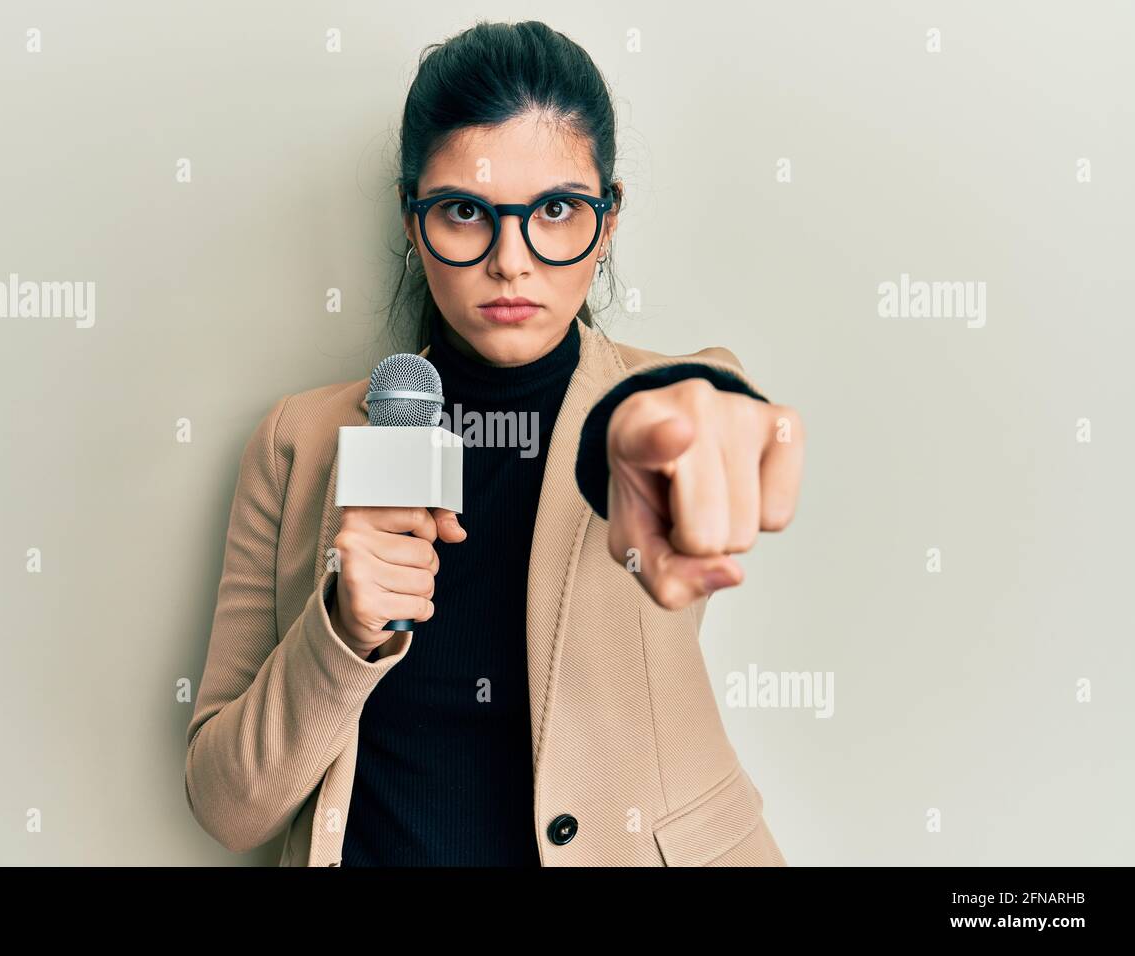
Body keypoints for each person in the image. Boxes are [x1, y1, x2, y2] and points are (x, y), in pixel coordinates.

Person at [184, 19, 804, 867]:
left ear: (608, 219)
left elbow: (715, 414)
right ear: (413, 221)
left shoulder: (655, 413)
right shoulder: (299, 445)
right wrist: (340, 628)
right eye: (467, 211)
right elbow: (228, 808)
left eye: (555, 210)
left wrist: (713, 431)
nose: (511, 261)